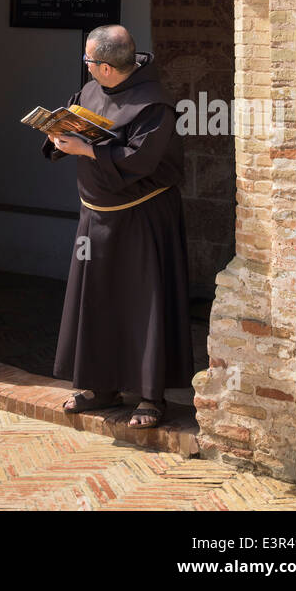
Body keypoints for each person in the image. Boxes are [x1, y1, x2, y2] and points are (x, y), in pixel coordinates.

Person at [41, 23, 194, 428]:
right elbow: (76, 120)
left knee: (143, 305)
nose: (86, 67)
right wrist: (58, 134)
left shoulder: (154, 105)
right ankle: (101, 386)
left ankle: (149, 396)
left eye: (89, 60)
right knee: (98, 301)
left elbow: (139, 162)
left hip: (142, 218)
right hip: (96, 216)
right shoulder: (90, 90)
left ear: (107, 66)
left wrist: (87, 149)